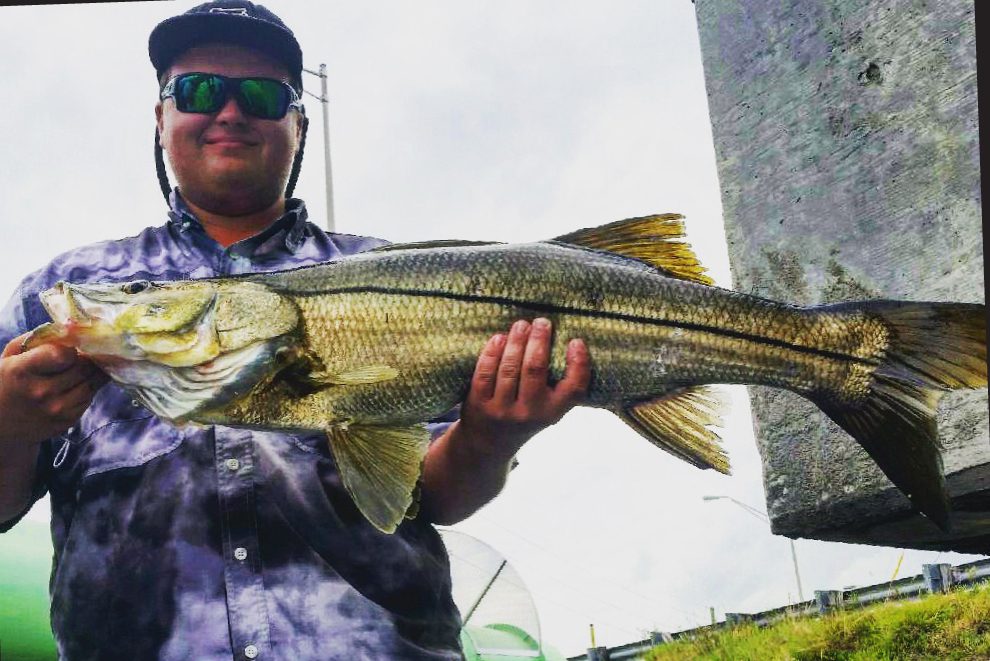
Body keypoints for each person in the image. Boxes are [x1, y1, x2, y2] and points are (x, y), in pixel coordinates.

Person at [0, 2, 590, 659]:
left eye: (261, 94)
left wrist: (491, 435)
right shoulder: (63, 290)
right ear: (160, 116)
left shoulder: (398, 276)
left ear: (298, 125)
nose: (230, 112)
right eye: (197, 90)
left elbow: (434, 494)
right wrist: (9, 422)